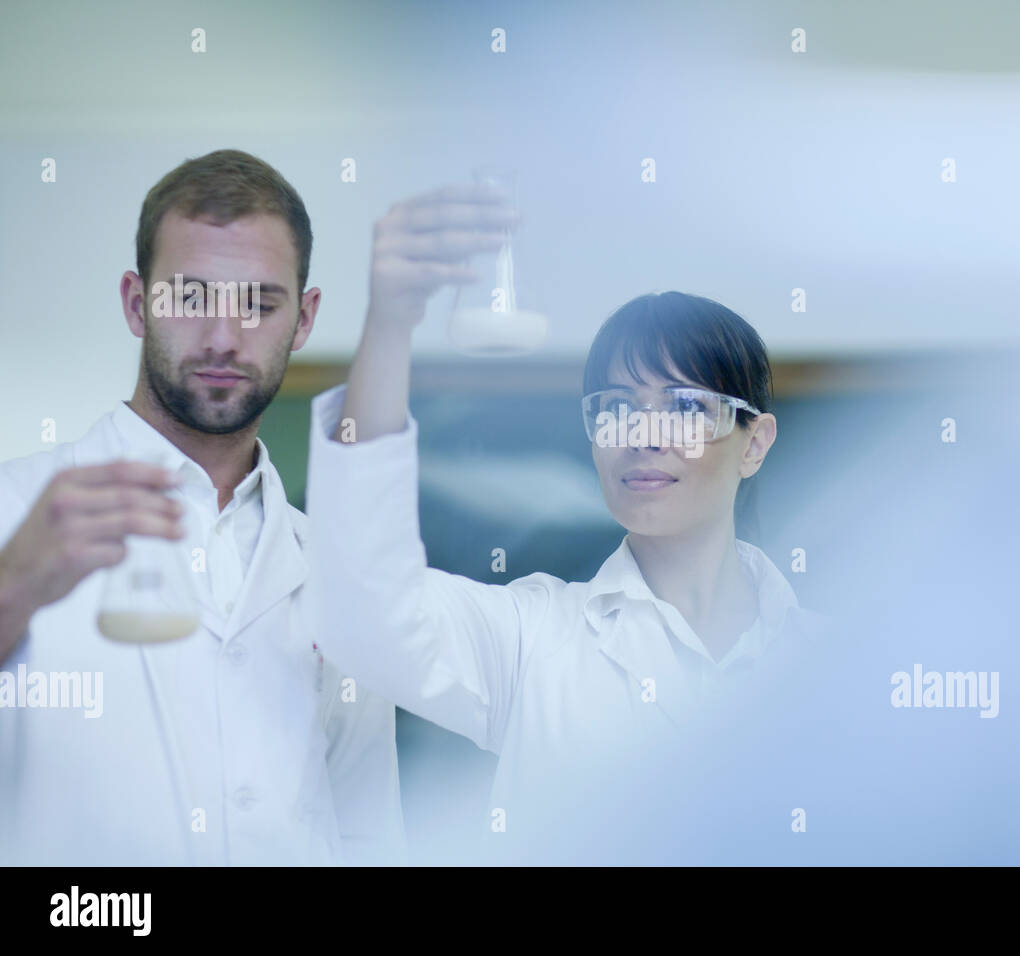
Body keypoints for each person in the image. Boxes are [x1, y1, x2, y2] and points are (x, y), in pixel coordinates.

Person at [304, 185, 811, 845]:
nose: (642, 433)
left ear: (756, 442)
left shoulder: (832, 661)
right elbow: (366, 608)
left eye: (685, 407)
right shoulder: (534, 642)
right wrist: (391, 323)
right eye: (617, 406)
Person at [0, 150, 404, 865]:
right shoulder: (17, 512)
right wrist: (13, 591)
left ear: (304, 318)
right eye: (190, 298)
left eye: (258, 303)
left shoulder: (334, 569)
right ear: (136, 303)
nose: (223, 337)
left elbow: (368, 832)